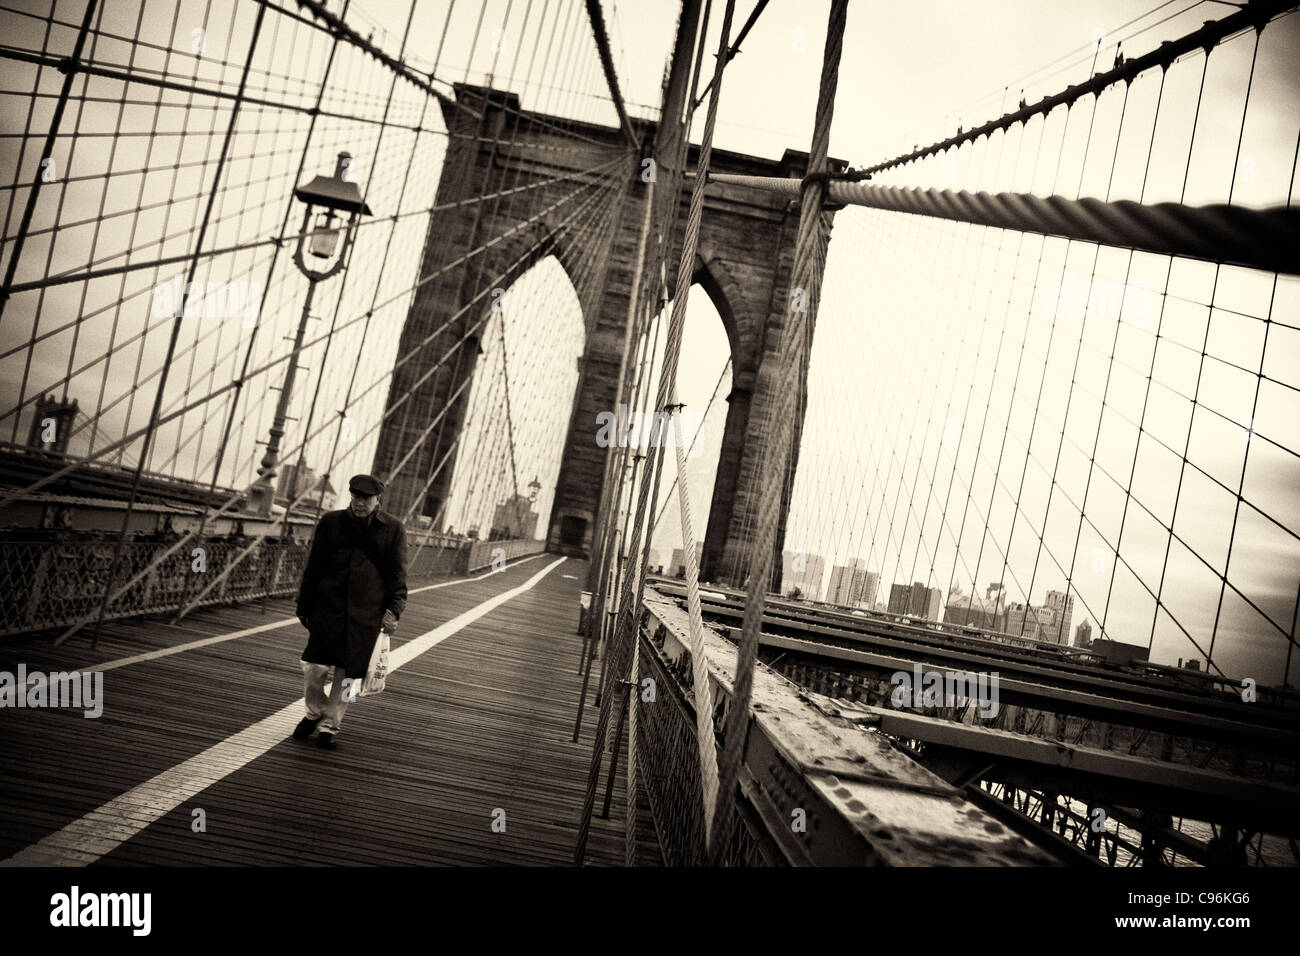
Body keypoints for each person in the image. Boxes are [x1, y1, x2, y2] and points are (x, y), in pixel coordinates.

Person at [293, 473, 407, 748]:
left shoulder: (393, 528)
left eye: (365, 498)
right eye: (355, 496)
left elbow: (397, 575)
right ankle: (315, 711)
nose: (359, 503)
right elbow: (315, 566)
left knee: (348, 674)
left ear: (378, 499)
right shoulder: (331, 522)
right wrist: (303, 603)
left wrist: (394, 610)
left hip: (365, 613)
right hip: (327, 607)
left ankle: (330, 725)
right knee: (314, 667)